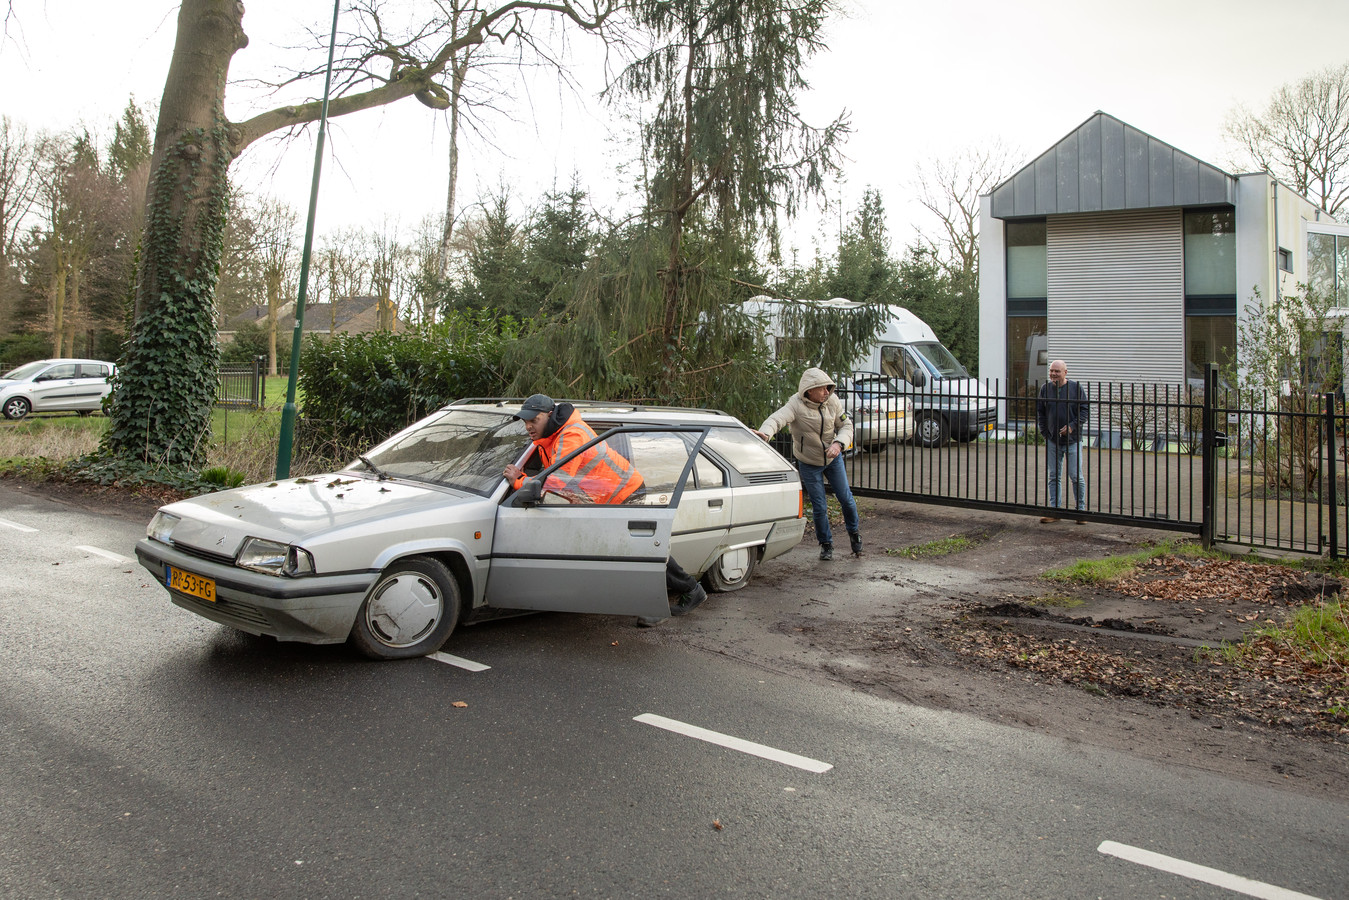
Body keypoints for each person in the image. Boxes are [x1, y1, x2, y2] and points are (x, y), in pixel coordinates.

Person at [503, 393, 706, 625]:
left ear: (549, 416)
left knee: (636, 551)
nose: (528, 426)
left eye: (534, 420)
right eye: (526, 421)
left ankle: (676, 596)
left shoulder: (570, 436)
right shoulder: (547, 438)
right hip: (601, 496)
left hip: (624, 491)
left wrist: (519, 482)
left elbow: (554, 484)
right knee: (622, 550)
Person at [753, 367, 862, 560]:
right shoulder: (795, 404)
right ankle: (826, 545)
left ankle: (854, 535)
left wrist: (838, 443)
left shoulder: (832, 402)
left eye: (828, 387)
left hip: (832, 458)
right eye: (822, 388)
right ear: (809, 390)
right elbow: (777, 418)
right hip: (808, 462)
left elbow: (846, 425)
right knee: (819, 506)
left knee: (845, 498)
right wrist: (766, 432)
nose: (826, 392)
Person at [1036, 359, 1088, 524]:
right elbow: (1041, 412)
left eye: (1057, 371)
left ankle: (1080, 511)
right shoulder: (1045, 389)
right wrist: (1045, 433)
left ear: (1065, 372)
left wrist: (1072, 427)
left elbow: (1084, 410)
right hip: (1053, 440)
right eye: (1051, 371)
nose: (1053, 374)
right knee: (1053, 476)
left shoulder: (1075, 388)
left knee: (1075, 476)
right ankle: (1055, 510)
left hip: (1073, 440)